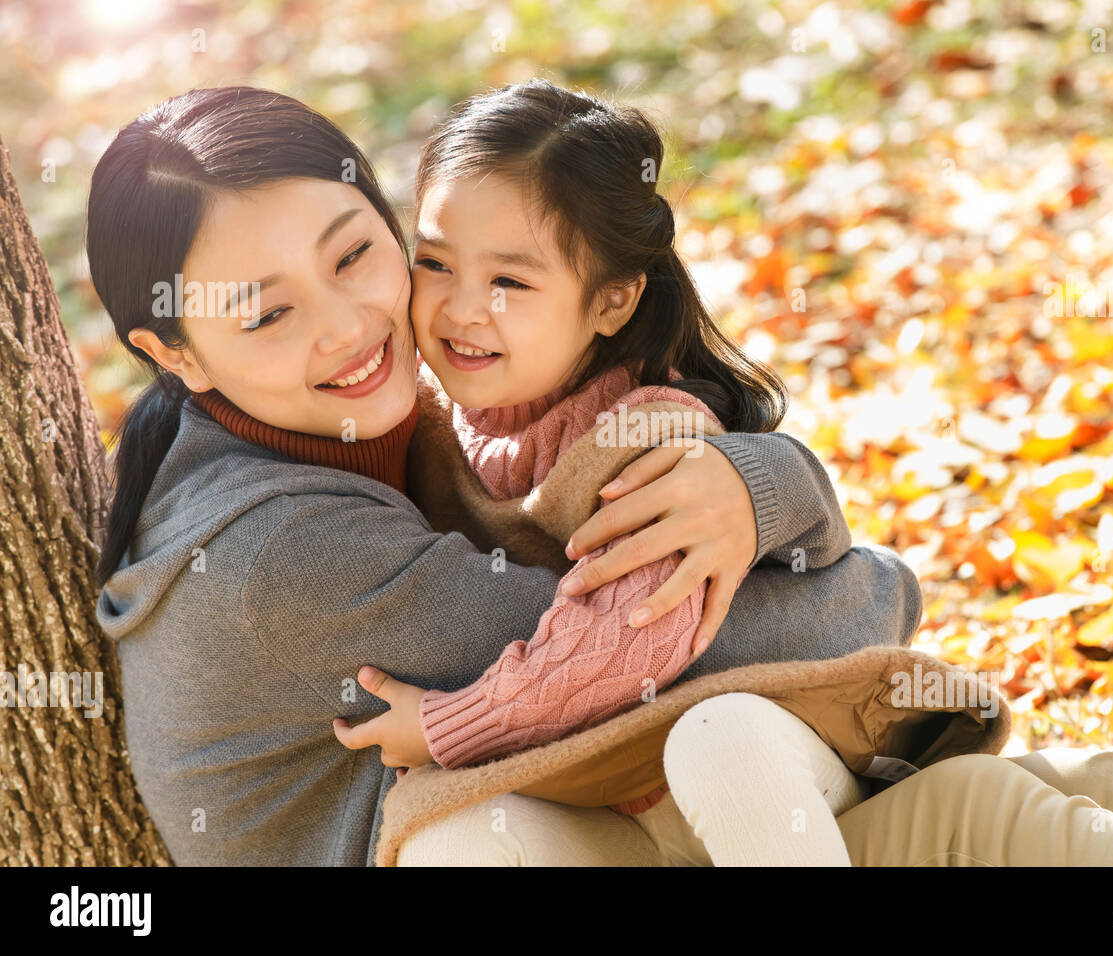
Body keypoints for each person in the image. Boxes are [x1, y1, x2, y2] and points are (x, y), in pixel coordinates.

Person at [332, 81, 1113, 868]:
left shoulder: (649, 445)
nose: (461, 309)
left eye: (509, 281)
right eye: (434, 263)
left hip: (765, 768)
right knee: (452, 838)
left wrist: (453, 722)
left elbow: (619, 646)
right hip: (615, 811)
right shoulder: (423, 424)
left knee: (720, 743)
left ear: (613, 299)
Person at [89, 86, 921, 867]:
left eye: (351, 256)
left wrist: (755, 480)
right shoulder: (278, 553)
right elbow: (639, 653)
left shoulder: (407, 422)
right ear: (175, 354)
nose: (346, 328)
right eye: (268, 314)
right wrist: (867, 577)